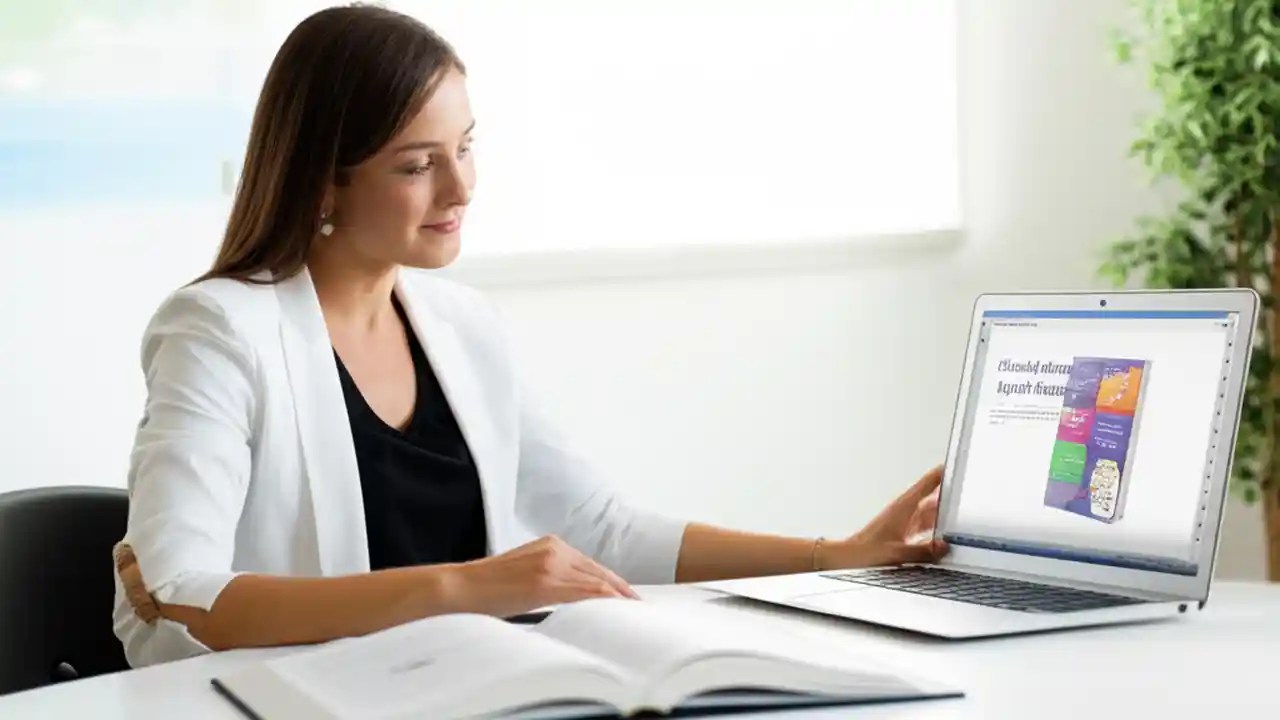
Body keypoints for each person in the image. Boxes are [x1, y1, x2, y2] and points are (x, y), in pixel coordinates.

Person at [112, 4, 947, 668]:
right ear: (324, 181)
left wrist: (834, 557)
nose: (461, 186)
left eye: (466, 147)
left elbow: (603, 530)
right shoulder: (218, 331)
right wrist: (467, 587)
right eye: (417, 164)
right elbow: (180, 596)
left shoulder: (462, 325)